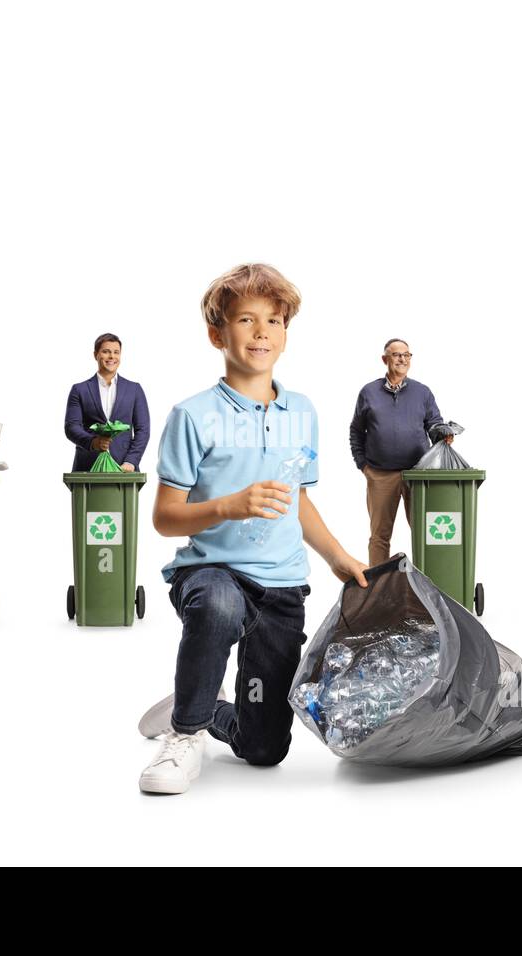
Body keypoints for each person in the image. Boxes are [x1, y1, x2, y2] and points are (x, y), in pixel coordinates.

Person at [136, 263, 368, 795]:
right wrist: (228, 507)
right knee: (218, 605)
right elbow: (165, 517)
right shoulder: (192, 416)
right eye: (246, 319)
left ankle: (198, 701)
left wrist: (339, 557)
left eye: (274, 320)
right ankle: (185, 734)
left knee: (264, 749)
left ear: (286, 334)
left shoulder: (303, 412)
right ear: (218, 334)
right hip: (212, 572)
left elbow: (298, 499)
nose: (261, 331)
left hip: (281, 585)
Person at [348, 339, 452, 567]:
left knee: (425, 533)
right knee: (379, 536)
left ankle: (428, 583)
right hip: (380, 474)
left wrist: (442, 434)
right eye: (396, 355)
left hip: (418, 475)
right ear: (385, 359)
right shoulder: (369, 392)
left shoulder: (422, 392)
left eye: (407, 355)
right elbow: (356, 430)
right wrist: (363, 465)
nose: (402, 359)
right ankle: (378, 587)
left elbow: (434, 423)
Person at [64, 333, 150, 472]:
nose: (112, 357)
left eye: (116, 352)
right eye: (106, 351)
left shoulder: (134, 389)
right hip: (87, 466)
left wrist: (131, 460)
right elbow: (71, 427)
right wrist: (93, 442)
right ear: (95, 355)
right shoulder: (79, 390)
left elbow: (143, 430)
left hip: (124, 467)